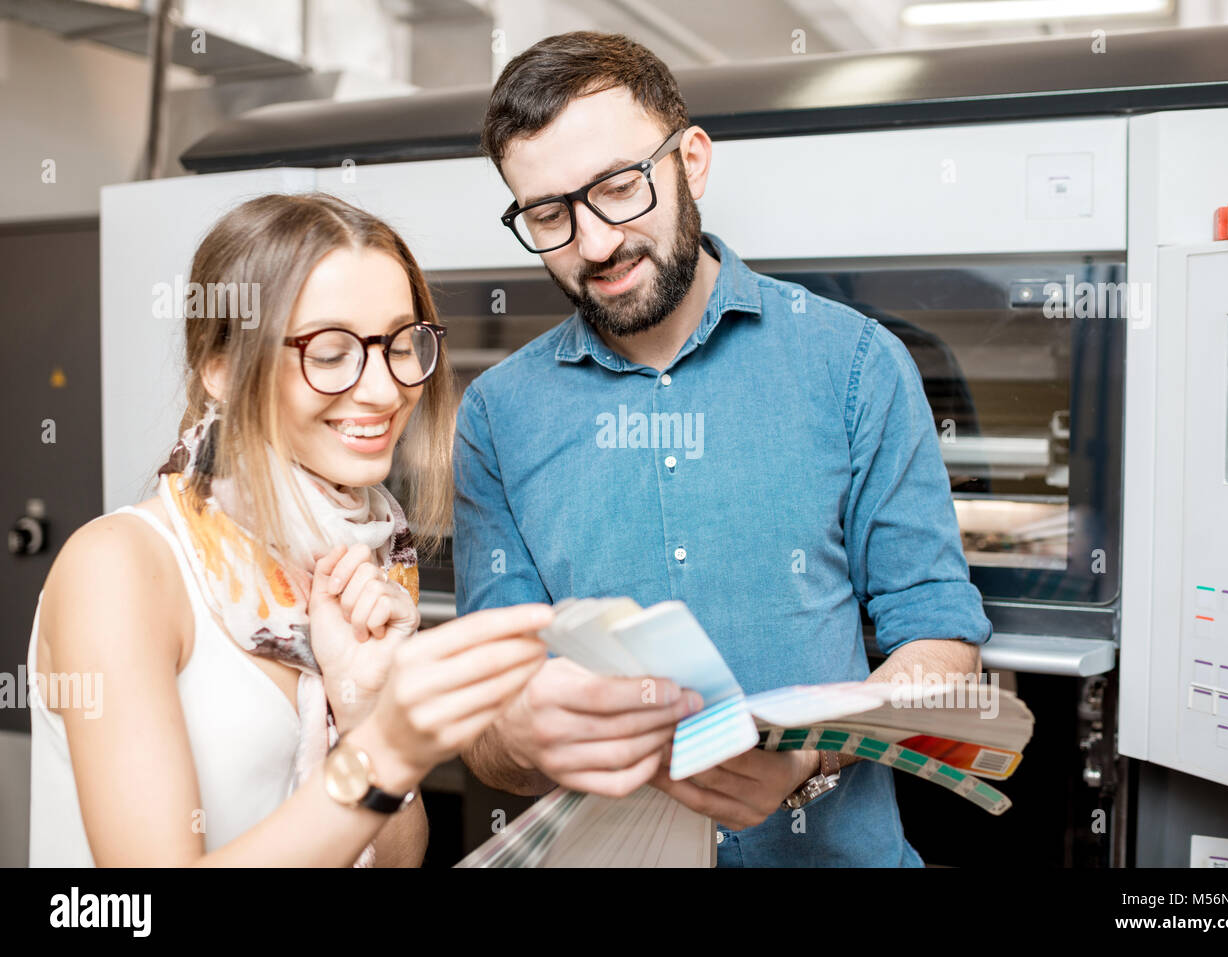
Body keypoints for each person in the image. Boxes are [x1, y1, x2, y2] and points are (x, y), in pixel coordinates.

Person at [454, 31, 992, 867]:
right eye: (550, 215)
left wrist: (811, 751)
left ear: (691, 162)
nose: (594, 245)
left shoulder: (852, 363)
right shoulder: (496, 414)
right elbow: (489, 740)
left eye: (618, 189)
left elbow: (943, 652)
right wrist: (519, 734)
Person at [27, 192, 552, 867]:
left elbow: (395, 860)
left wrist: (361, 709)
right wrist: (383, 749)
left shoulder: (360, 559)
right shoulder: (120, 568)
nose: (386, 390)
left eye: (400, 343)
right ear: (220, 367)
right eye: (331, 352)